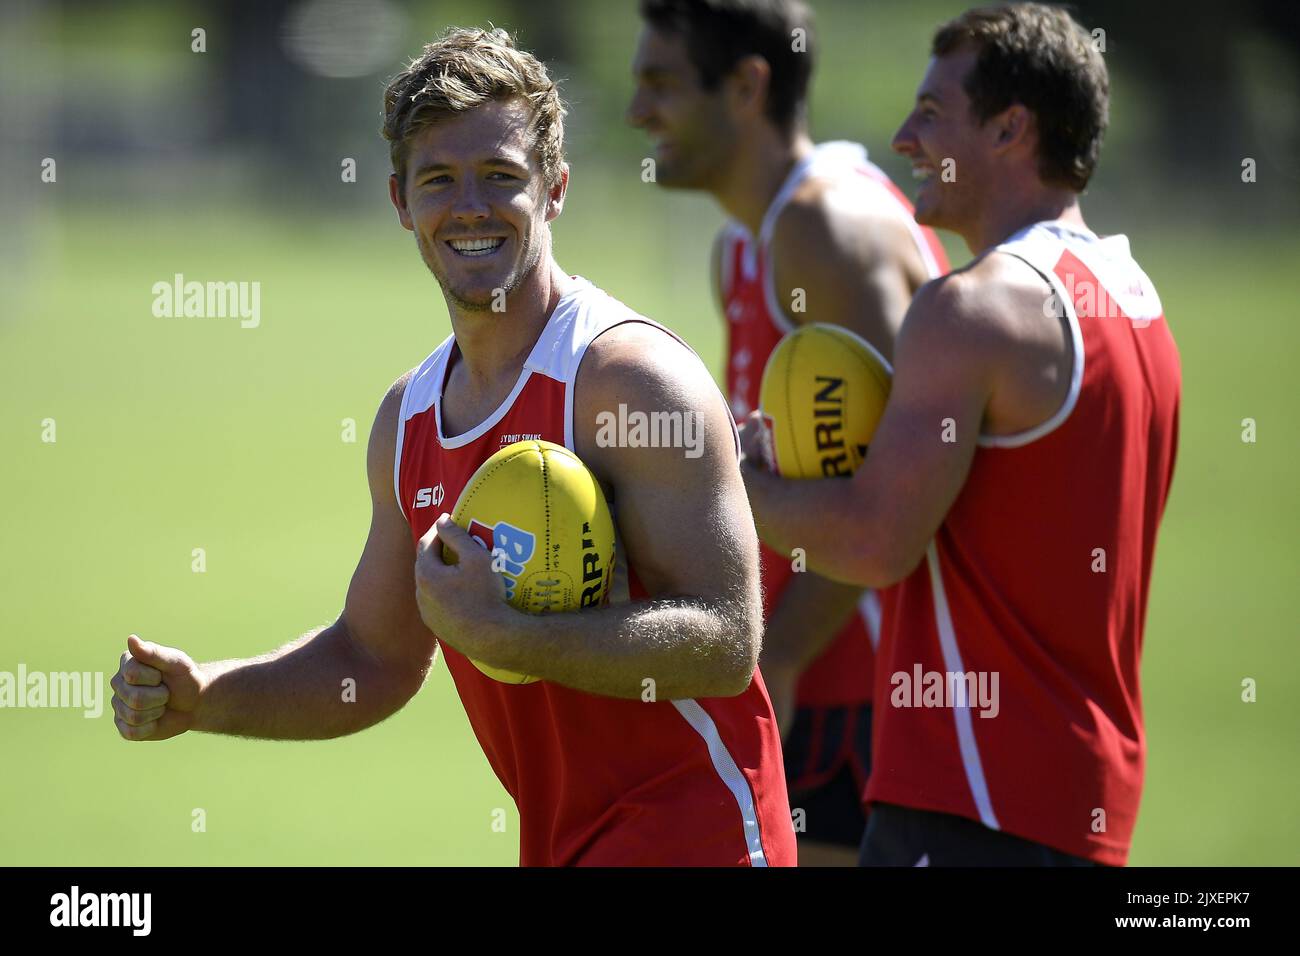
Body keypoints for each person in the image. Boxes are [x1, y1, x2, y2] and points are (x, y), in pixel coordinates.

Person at [111, 26, 796, 868]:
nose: (470, 206)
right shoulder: (410, 419)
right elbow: (375, 657)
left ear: (554, 190)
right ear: (401, 202)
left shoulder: (629, 381)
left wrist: (511, 634)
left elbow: (727, 643)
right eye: (439, 180)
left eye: (501, 177)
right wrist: (207, 696)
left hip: (702, 839)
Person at [739, 3, 1180, 866]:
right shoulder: (1136, 300)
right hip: (1086, 803)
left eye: (933, 113)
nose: (904, 136)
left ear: (1012, 127)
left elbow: (873, 542)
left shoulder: (973, 307)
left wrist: (735, 480)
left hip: (970, 798)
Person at [628, 0, 948, 865]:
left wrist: (781, 661)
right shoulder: (744, 244)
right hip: (803, 676)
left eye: (661, 83)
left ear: (746, 86)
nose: (637, 112)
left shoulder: (828, 228)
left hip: (865, 693)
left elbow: (906, 494)